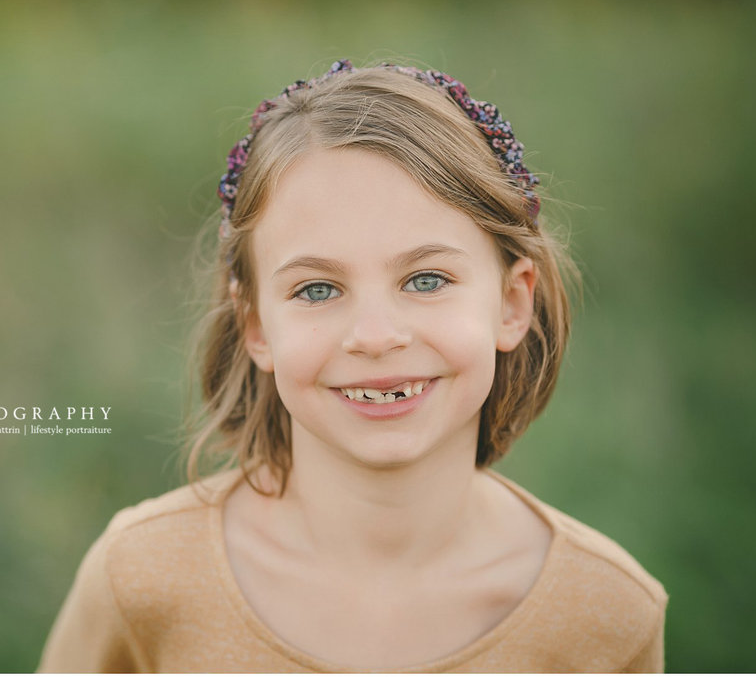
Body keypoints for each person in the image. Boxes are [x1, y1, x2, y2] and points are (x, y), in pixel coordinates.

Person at [38, 61, 666, 672]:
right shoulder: (141, 578)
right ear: (256, 325)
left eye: (425, 279)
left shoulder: (608, 615)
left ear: (511, 302)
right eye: (317, 290)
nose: (374, 337)